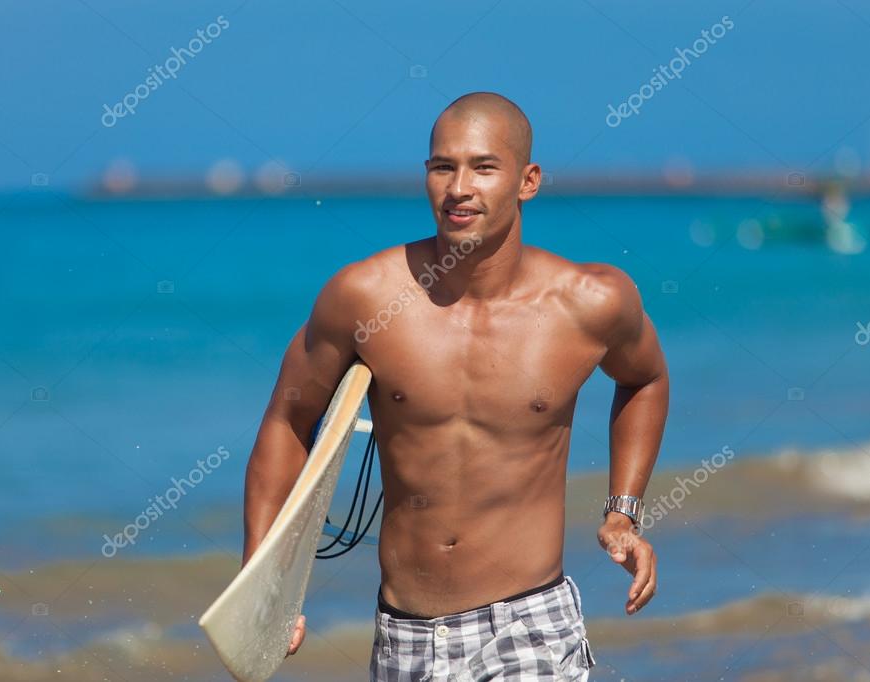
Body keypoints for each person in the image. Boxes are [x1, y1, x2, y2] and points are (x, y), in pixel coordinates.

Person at [241, 91, 668, 681]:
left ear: (528, 180)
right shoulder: (364, 298)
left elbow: (645, 378)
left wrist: (623, 511)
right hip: (403, 635)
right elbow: (288, 423)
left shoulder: (589, 302)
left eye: (484, 167)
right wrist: (265, 589)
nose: (459, 187)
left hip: (530, 625)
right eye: (443, 166)